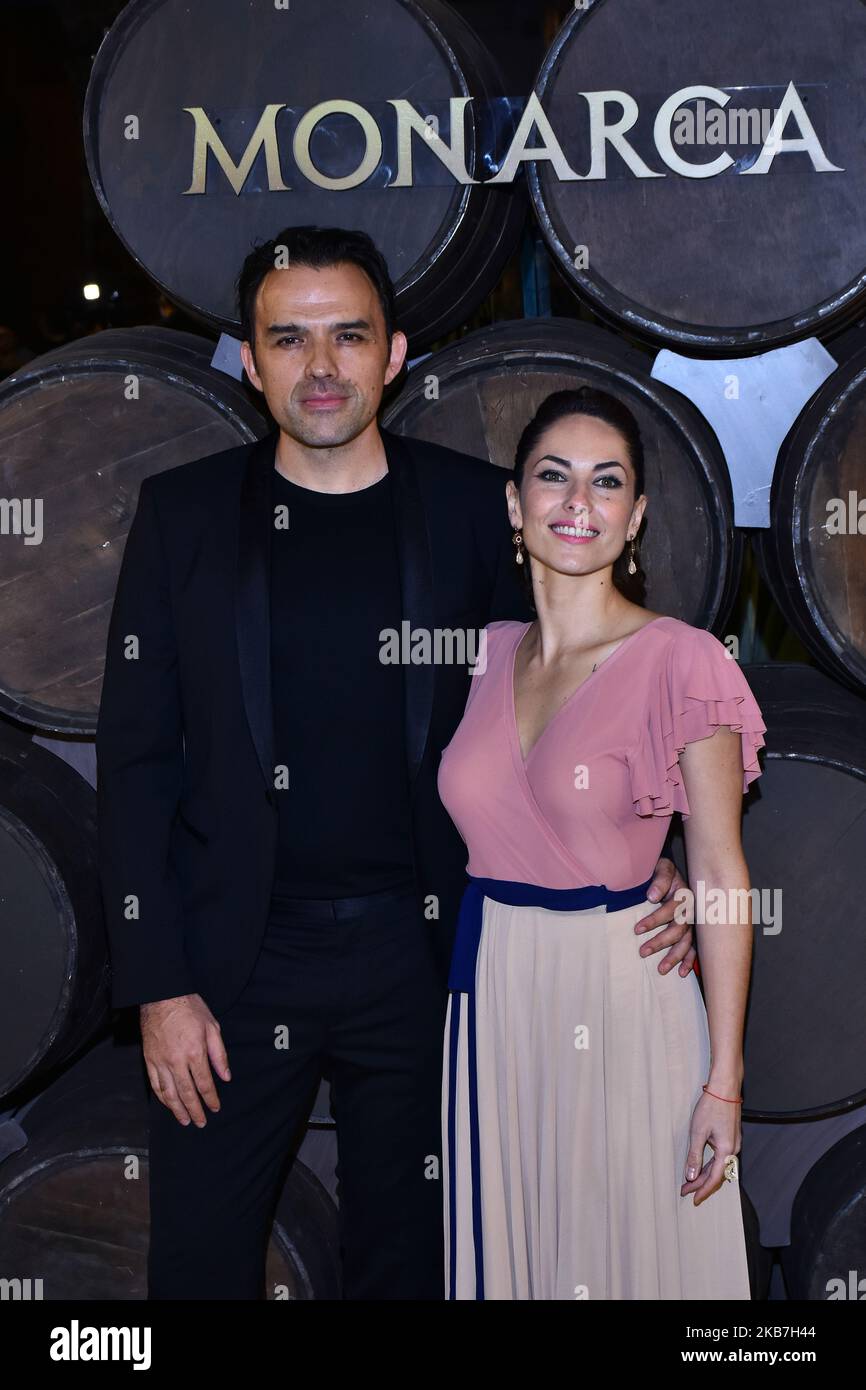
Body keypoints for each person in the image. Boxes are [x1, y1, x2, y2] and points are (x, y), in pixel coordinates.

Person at [96, 226, 695, 1301]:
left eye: (347, 337)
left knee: (414, 1262)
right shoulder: (181, 517)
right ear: (247, 356)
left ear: (395, 351)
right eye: (289, 339)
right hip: (233, 964)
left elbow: (584, 694)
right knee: (196, 1265)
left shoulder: (477, 510)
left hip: (429, 959)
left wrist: (652, 850)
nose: (320, 367)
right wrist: (159, 982)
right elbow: (136, 760)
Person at [438, 386, 767, 1300]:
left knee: (633, 1255)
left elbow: (720, 870)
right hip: (495, 997)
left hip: (624, 1001)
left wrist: (725, 1079)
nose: (578, 501)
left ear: (636, 518)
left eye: (607, 482)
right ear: (516, 504)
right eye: (553, 476)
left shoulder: (684, 659)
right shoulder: (489, 653)